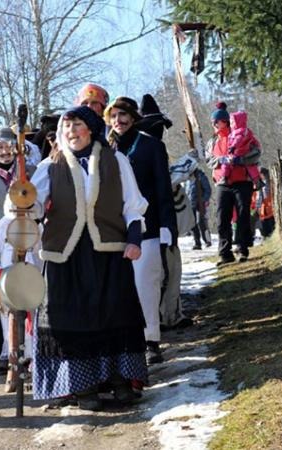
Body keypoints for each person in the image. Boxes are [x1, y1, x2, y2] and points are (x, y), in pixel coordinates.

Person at [30, 106, 148, 411]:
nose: (70, 131)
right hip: (65, 256)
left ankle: (120, 380)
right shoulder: (49, 166)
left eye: (76, 125)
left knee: (114, 314)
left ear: (91, 129)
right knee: (73, 320)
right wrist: (23, 202)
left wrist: (134, 239)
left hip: (108, 251)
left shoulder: (116, 160)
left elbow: (132, 205)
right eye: (66, 127)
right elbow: (33, 207)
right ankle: (83, 387)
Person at [106, 96, 176, 365]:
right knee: (120, 289)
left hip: (149, 227)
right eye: (113, 116)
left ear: (133, 118)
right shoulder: (106, 148)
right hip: (116, 229)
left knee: (146, 285)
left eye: (123, 116)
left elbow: (162, 188)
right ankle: (125, 341)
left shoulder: (150, 146)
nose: (118, 121)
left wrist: (167, 226)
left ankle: (151, 340)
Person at [0, 126, 36, 373]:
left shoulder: (30, 172)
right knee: (3, 302)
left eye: (8, 146)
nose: (4, 151)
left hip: (29, 239)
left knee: (32, 296)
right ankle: (6, 352)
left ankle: (34, 350)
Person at [135, 94, 193, 331]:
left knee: (171, 268)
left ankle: (170, 313)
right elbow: (164, 181)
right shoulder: (142, 150)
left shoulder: (155, 149)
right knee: (161, 273)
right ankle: (162, 317)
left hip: (166, 219)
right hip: (151, 220)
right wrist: (187, 164)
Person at [207, 102, 260, 265]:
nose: (214, 125)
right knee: (222, 218)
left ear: (226, 122)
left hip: (242, 181)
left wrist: (240, 160)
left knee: (243, 216)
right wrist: (220, 160)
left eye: (217, 121)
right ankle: (225, 253)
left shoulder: (242, 136)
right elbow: (209, 160)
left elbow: (256, 153)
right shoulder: (213, 141)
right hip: (222, 183)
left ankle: (243, 249)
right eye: (213, 122)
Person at [187, 168, 212, 250]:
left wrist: (204, 200)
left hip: (200, 204)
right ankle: (197, 243)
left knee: (201, 222)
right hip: (190, 204)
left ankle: (207, 241)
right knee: (192, 224)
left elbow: (207, 189)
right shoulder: (187, 178)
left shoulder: (201, 176)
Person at [254, 167, 275, 238]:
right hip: (261, 212)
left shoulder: (271, 183)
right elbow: (256, 198)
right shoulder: (257, 185)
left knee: (270, 231)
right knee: (264, 232)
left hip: (270, 211)